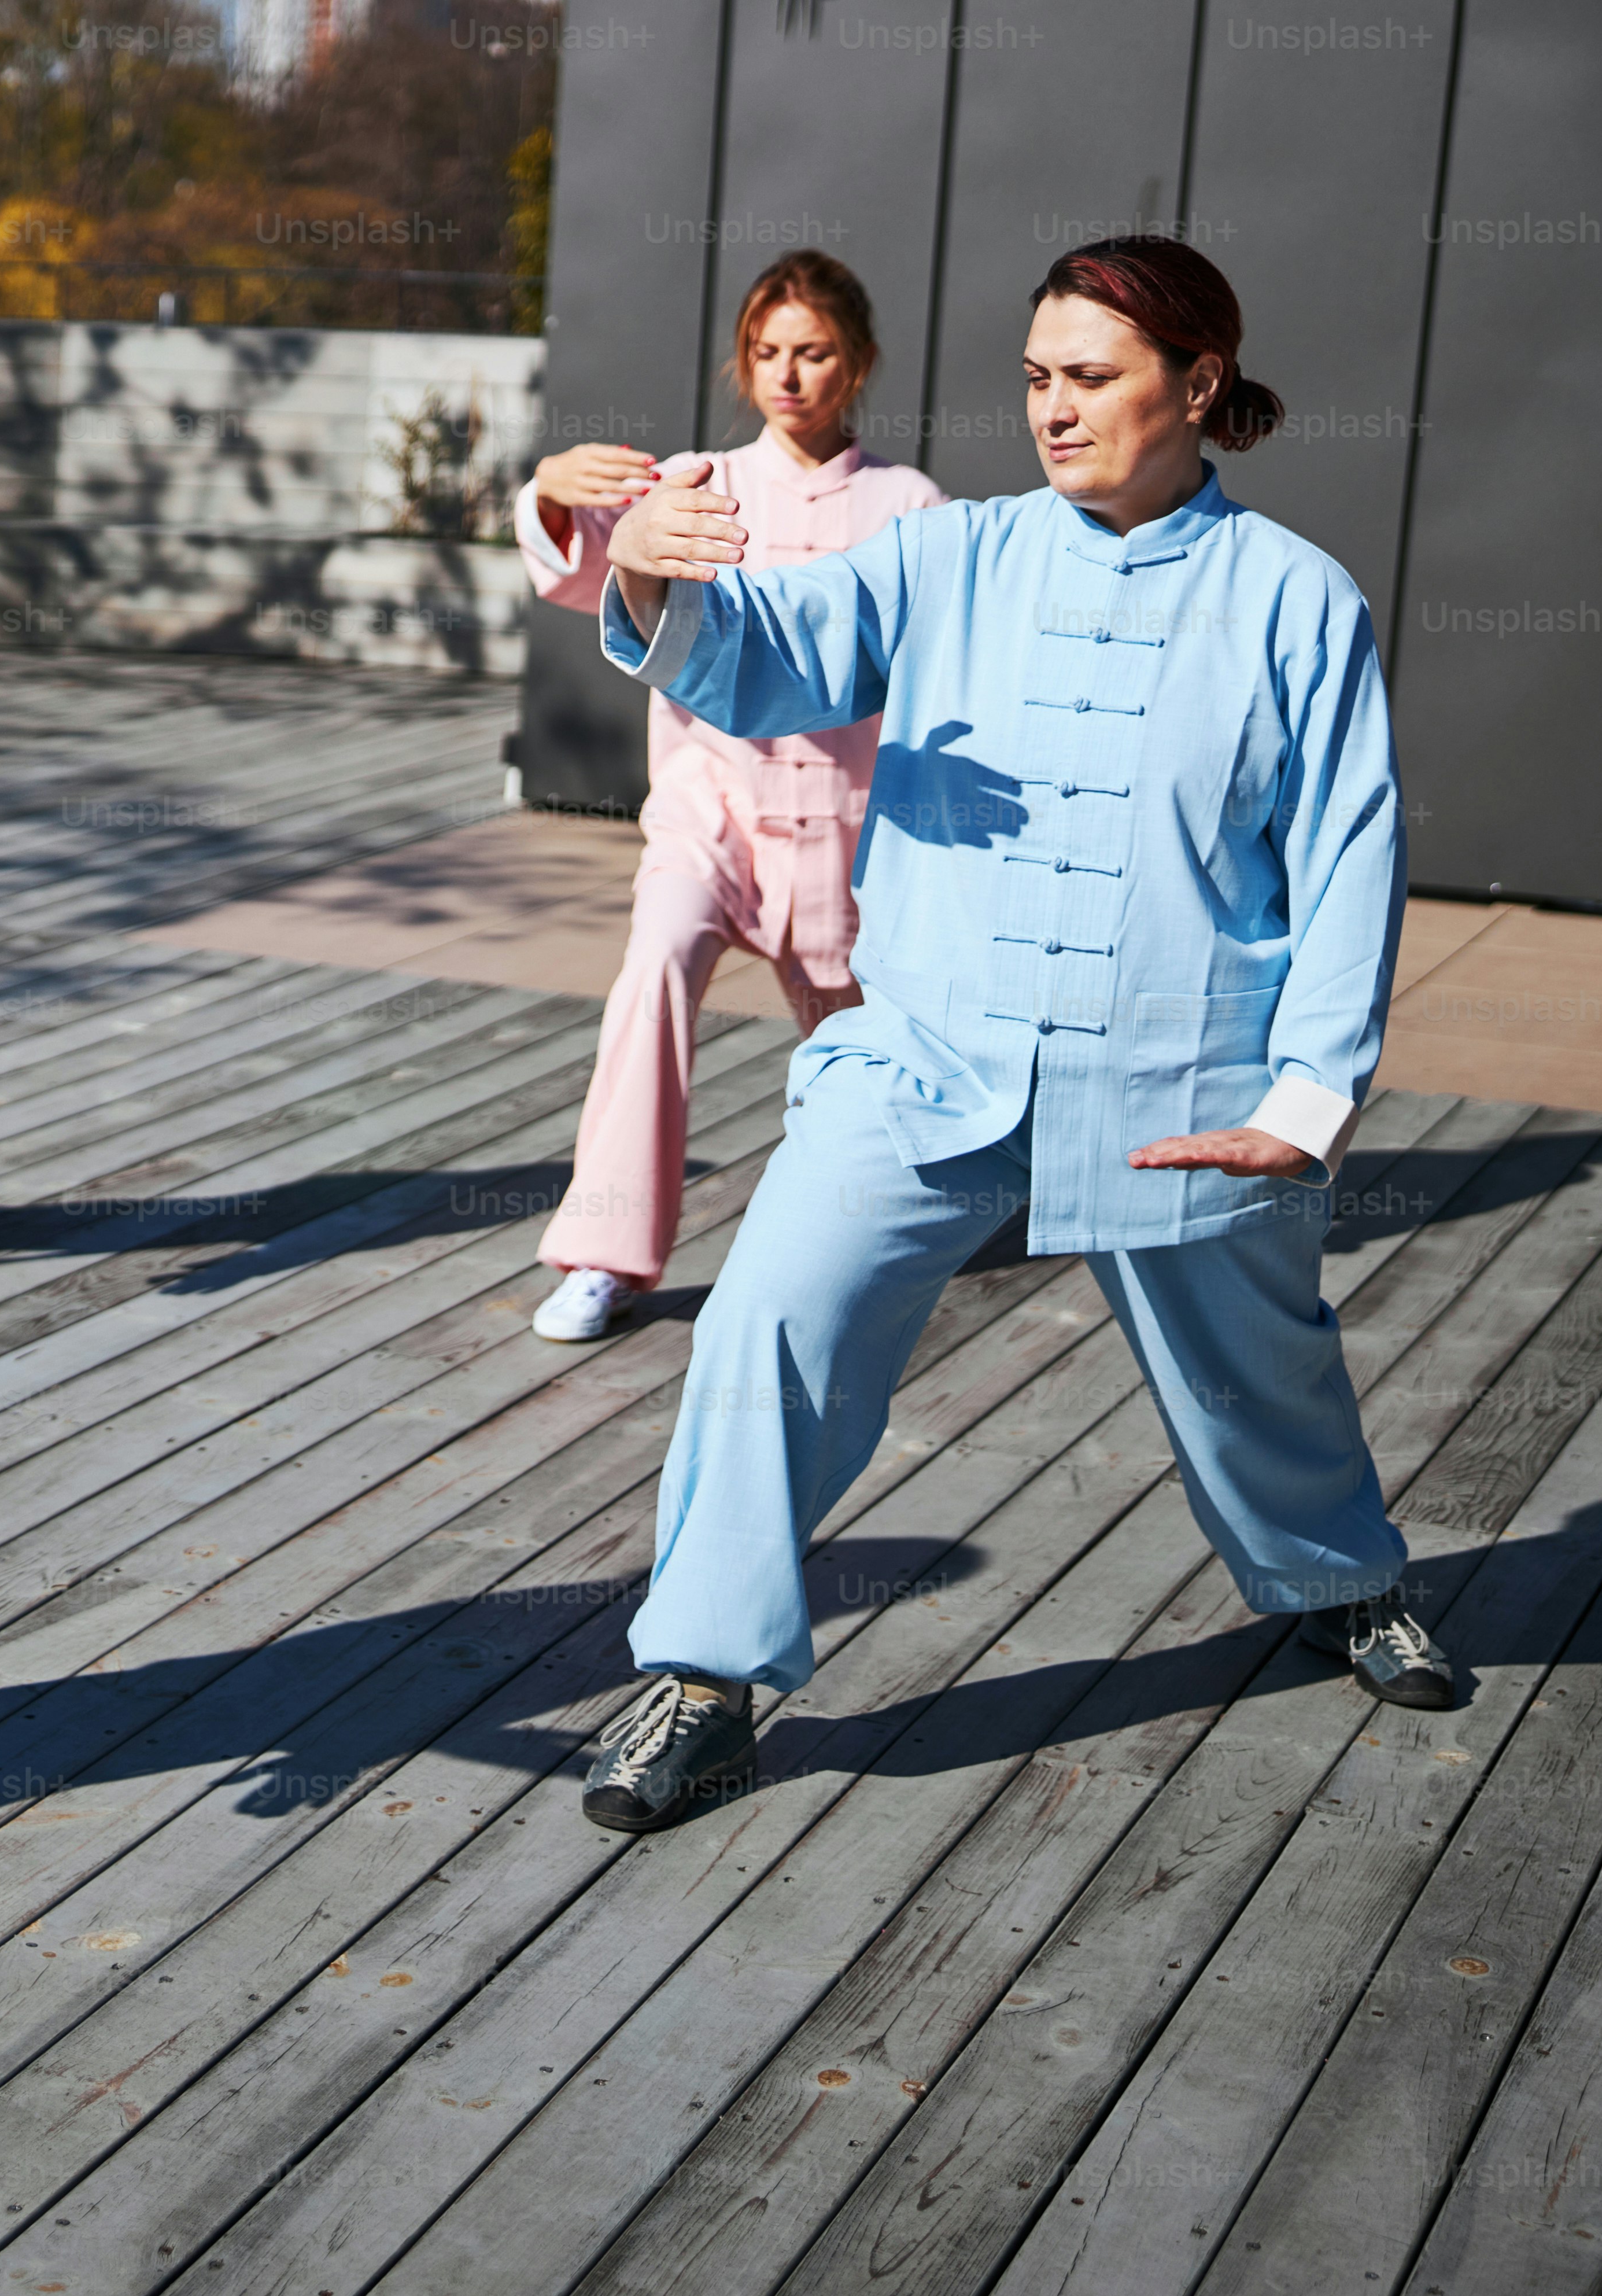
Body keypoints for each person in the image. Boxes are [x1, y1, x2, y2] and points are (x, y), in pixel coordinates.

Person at [572, 233, 1455, 1838]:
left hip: (1180, 1074)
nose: (1053, 409)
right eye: (1038, 378)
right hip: (924, 1056)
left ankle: (1343, 1582)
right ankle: (703, 1680)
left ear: (1196, 383)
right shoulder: (949, 555)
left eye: (1092, 378)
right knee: (768, 1321)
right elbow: (761, 661)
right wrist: (642, 569)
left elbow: (1350, 859)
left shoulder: (1298, 602)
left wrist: (1312, 1097)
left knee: (1261, 1372)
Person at [518, 252, 946, 1344]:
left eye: (813, 353)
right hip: (710, 815)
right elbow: (591, 577)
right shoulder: (696, 479)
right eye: (767, 353)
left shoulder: (910, 505)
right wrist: (552, 494)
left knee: (855, 1062)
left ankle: (862, 1247)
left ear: (857, 364)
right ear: (742, 363)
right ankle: (606, 1254)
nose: (789, 376)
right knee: (656, 963)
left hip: (849, 838)